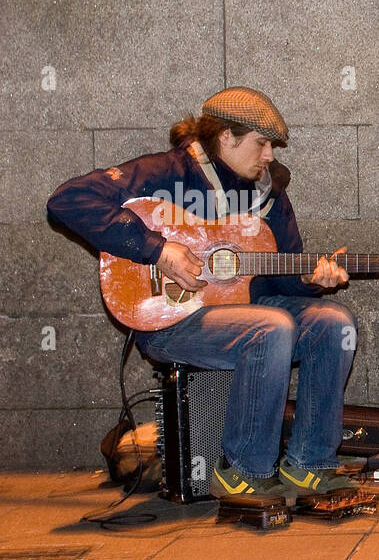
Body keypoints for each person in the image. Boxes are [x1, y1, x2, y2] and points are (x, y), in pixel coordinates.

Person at [48, 87, 358, 499]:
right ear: (226, 138)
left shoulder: (267, 194)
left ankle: (310, 464)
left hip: (246, 310)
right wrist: (158, 250)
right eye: (261, 143)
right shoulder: (166, 174)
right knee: (271, 327)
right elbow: (67, 200)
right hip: (167, 319)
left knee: (334, 323)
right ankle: (244, 472)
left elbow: (281, 273)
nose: (269, 155)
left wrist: (310, 281)